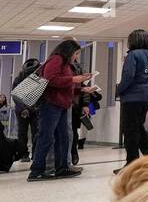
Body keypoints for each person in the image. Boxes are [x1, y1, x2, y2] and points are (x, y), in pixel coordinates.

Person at [27, 41, 97, 182]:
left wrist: (82, 88)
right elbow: (50, 79)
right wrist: (73, 79)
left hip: (62, 104)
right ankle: (37, 170)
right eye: (76, 53)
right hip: (51, 104)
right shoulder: (56, 59)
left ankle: (62, 167)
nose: (76, 57)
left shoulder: (65, 63)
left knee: (63, 137)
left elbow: (65, 85)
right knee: (46, 136)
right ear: (69, 51)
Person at [116, 29, 148, 169]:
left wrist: (118, 90)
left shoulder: (133, 55)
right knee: (137, 127)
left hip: (131, 97)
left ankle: (132, 164)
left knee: (130, 130)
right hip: (146, 97)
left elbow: (128, 76)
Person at [13, 58, 41, 159]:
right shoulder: (21, 78)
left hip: (32, 109)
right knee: (27, 133)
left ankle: (29, 154)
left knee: (27, 133)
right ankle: (29, 154)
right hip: (25, 110)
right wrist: (23, 109)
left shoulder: (19, 77)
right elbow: (16, 95)